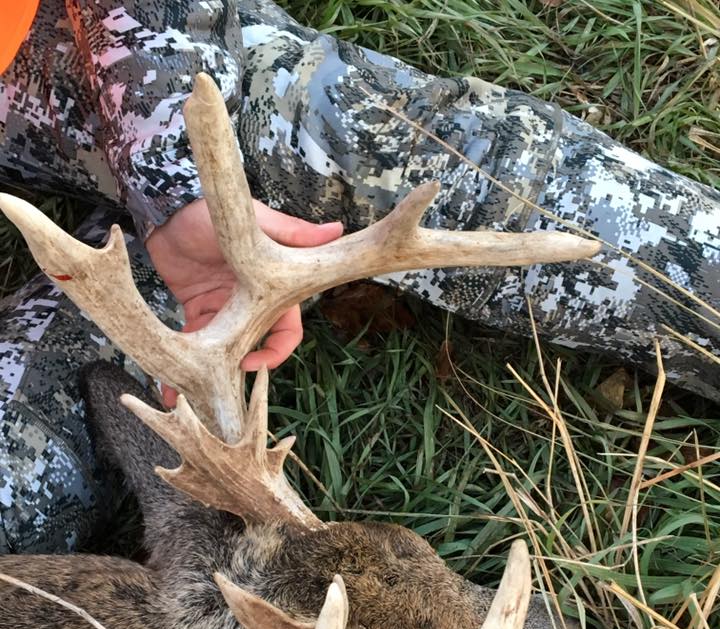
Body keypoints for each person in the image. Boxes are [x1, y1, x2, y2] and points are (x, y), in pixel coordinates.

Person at [0, 0, 718, 557]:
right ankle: (141, 272)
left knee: (363, 151)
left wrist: (176, 175)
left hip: (54, 45)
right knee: (22, 496)